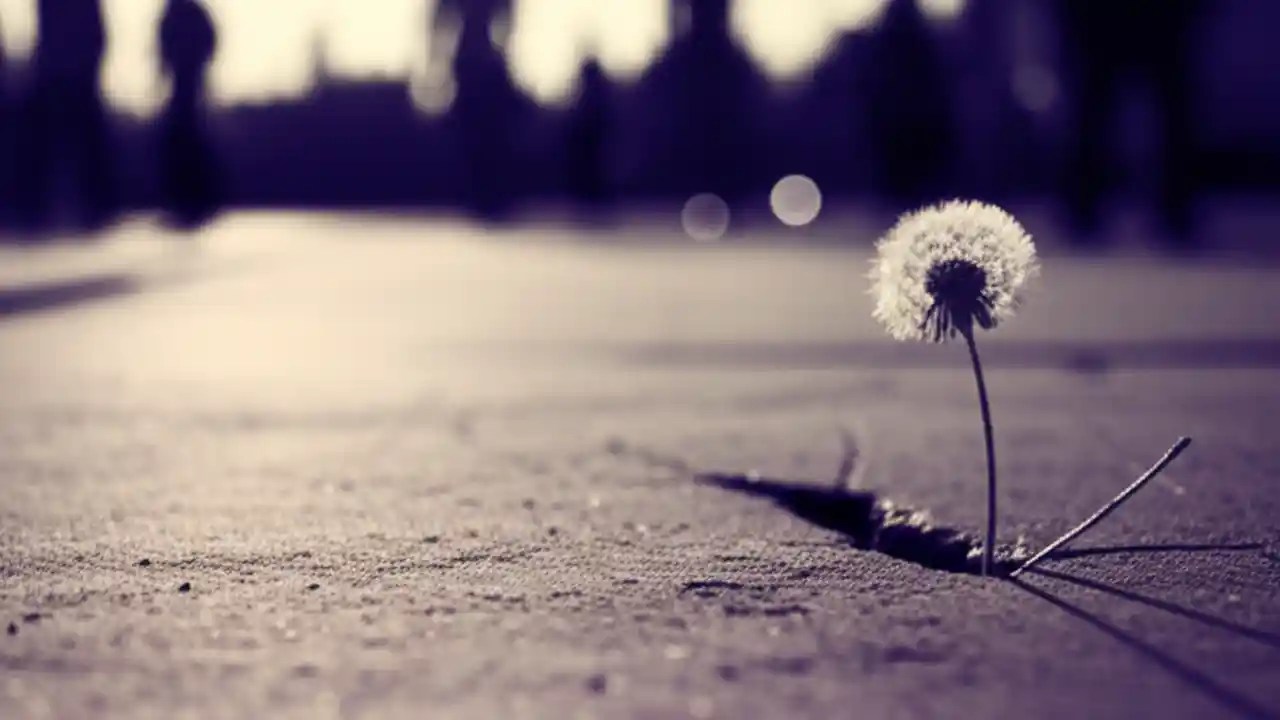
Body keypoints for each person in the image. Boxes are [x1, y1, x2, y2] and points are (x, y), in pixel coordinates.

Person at [1055, 0, 1205, 247]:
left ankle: (1084, 207)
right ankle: (1085, 206)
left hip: (1122, 14)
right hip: (1133, 14)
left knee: (1095, 104)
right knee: (1096, 104)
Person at [16, 0, 113, 231]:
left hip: (68, 73)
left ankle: (90, 205)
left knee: (79, 145)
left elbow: (95, 33)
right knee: (60, 144)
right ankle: (42, 206)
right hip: (63, 73)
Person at [158, 0, 220, 228]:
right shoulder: (182, 12)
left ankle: (192, 195)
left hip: (189, 80)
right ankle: (185, 195)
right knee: (184, 135)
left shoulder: (182, 12)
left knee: (187, 136)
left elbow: (207, 42)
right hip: (185, 81)